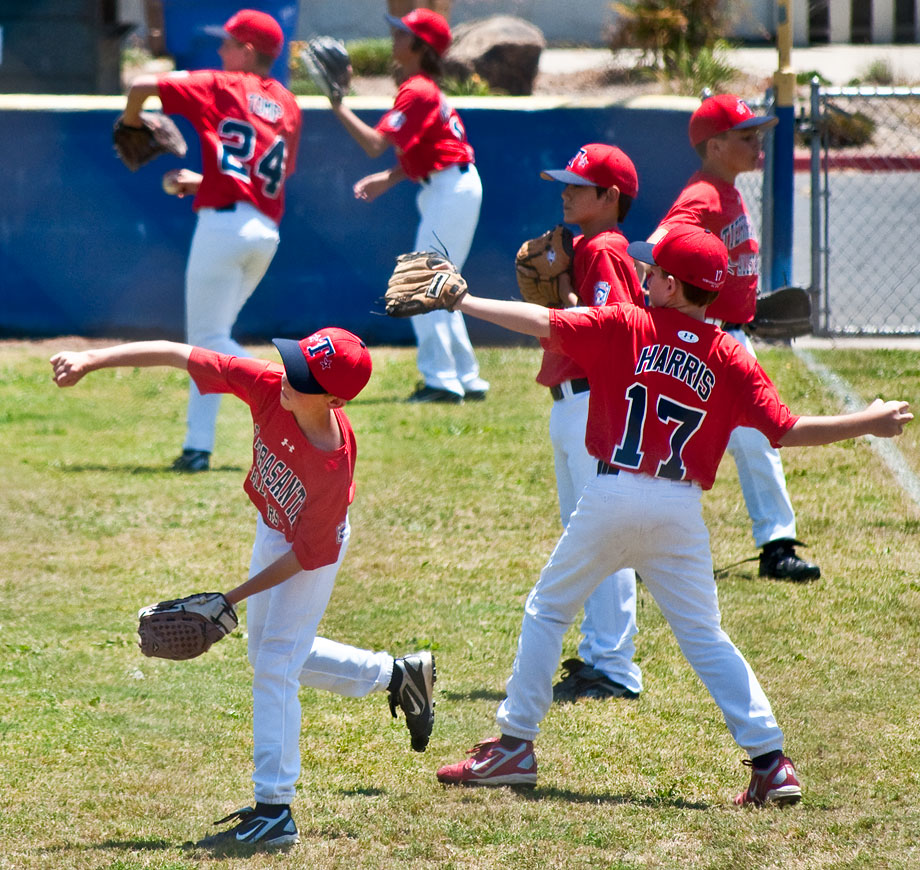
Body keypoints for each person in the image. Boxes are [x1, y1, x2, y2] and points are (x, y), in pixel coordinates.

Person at [432, 225, 911, 804]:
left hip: (612, 496)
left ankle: (513, 745)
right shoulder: (729, 354)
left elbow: (542, 321)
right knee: (705, 637)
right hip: (679, 511)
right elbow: (786, 430)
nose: (645, 277)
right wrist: (869, 421)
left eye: (654, 272)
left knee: (548, 610)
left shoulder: (628, 324)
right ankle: (771, 762)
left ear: (673, 287)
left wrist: (462, 300)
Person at [50, 327, 436, 850]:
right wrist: (90, 359)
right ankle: (398, 675)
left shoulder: (330, 464)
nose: (289, 378)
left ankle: (274, 810)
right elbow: (180, 353)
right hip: (275, 527)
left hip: (311, 550)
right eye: (295, 363)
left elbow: (307, 556)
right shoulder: (269, 385)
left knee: (275, 664)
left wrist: (230, 598)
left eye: (303, 378)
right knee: (271, 654)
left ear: (335, 401)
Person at [121, 9, 302, 472]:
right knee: (211, 339)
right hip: (264, 233)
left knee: (207, 343)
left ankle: (298, 385)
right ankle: (197, 447)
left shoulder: (223, 84)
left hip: (223, 230)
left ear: (247, 50)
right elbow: (262, 178)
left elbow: (140, 85)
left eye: (228, 43)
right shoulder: (288, 103)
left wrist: (133, 123)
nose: (220, 50)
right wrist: (204, 182)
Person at [651, 93, 819, 582]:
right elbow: (661, 247)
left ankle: (777, 546)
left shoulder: (727, 190)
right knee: (670, 444)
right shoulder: (701, 196)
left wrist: (744, 307)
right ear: (715, 146)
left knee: (756, 437)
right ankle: (643, 546)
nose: (757, 145)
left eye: (757, 135)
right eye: (746, 137)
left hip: (728, 337)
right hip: (701, 341)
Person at [325, 7, 489, 404]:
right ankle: (465, 377)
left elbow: (374, 144)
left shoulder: (417, 89)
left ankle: (442, 382)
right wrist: (390, 177)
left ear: (419, 46)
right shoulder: (424, 89)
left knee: (421, 283)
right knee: (442, 284)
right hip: (451, 185)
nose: (394, 38)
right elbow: (428, 150)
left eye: (402, 34)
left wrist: (338, 103)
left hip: (450, 189)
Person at [533, 144, 644, 703]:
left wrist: (566, 300)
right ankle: (603, 655)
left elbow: (613, 328)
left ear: (610, 197)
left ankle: (614, 665)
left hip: (591, 402)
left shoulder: (602, 249)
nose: (566, 192)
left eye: (579, 185)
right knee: (588, 532)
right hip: (574, 402)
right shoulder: (591, 247)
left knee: (601, 533)